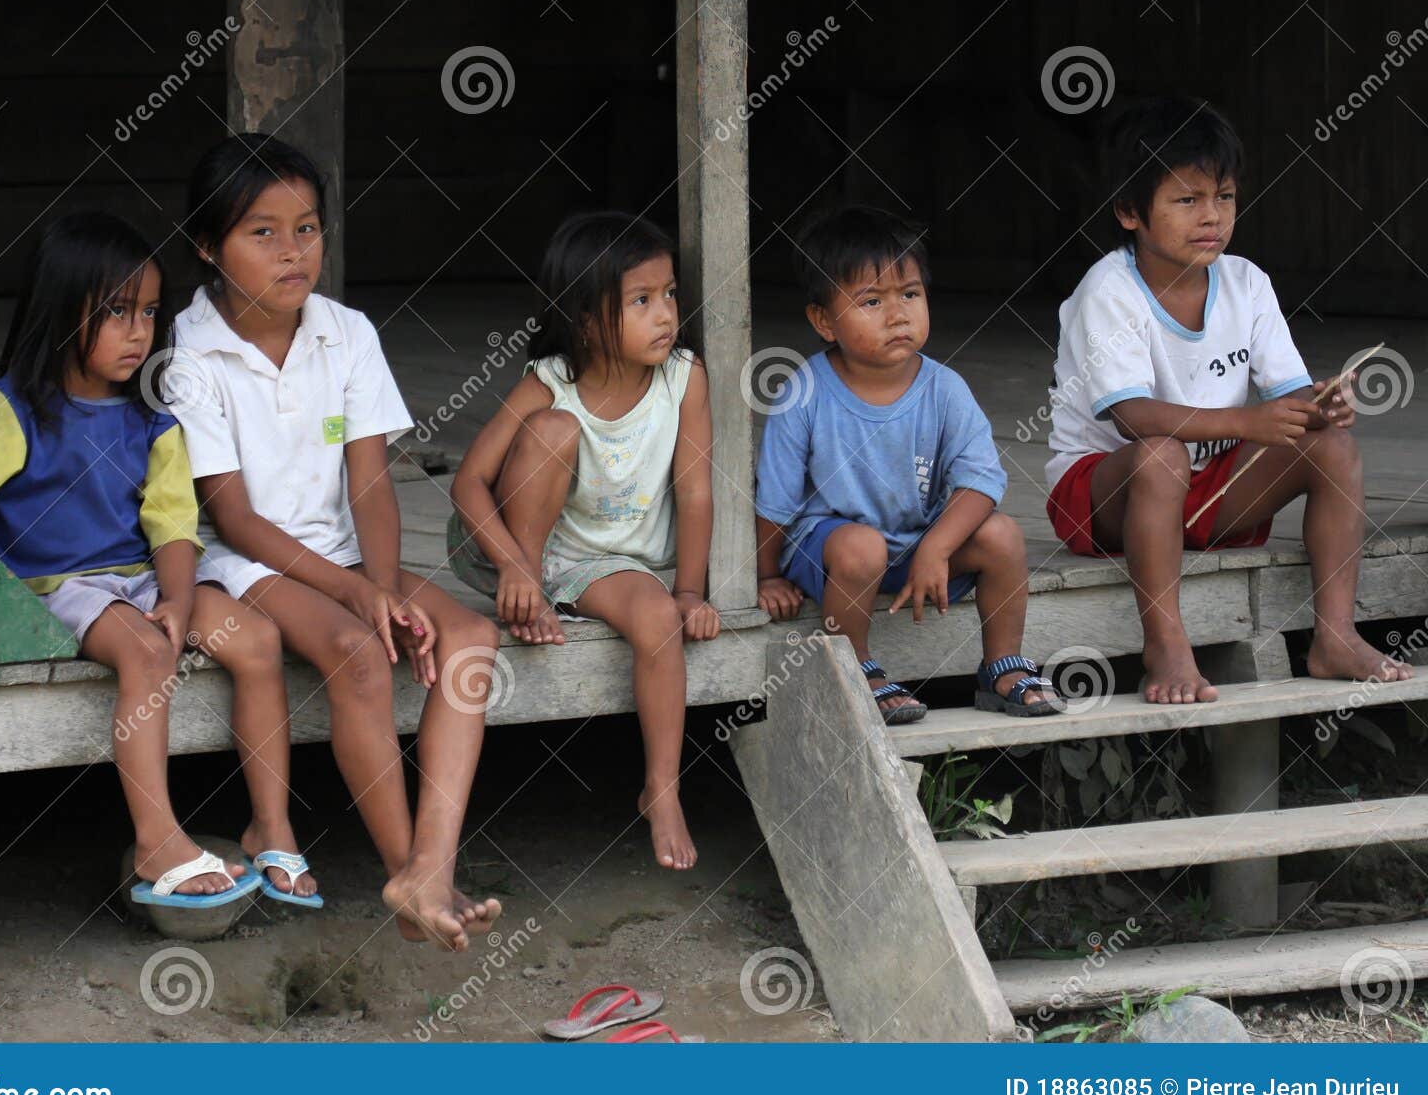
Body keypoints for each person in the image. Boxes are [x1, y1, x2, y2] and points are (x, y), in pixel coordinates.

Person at [165, 134, 501, 950]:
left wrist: (380, 585)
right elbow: (235, 517)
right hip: (246, 561)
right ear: (208, 247)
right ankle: (405, 866)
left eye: (308, 228)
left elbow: (373, 482)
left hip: (350, 554)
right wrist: (361, 601)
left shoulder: (345, 331)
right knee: (356, 650)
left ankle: (429, 864)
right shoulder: (189, 356)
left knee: (472, 636)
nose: (293, 251)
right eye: (263, 232)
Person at [0, 211, 295, 909]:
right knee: (149, 653)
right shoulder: (15, 411)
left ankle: (272, 822)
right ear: (62, 311)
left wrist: (178, 599)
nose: (139, 330)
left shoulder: (151, 420)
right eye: (117, 312)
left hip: (143, 574)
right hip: (59, 583)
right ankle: (156, 836)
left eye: (149, 311)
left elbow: (174, 525)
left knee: (258, 639)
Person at [1044, 98, 1411, 703]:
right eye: (1187, 201)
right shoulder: (1108, 291)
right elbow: (1133, 417)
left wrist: (1321, 407)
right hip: (1100, 494)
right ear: (1130, 212)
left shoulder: (1246, 283)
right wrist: (1247, 419)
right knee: (1160, 455)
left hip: (1204, 489)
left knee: (1334, 448)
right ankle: (1165, 645)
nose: (1211, 216)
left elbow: (1288, 394)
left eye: (1225, 197)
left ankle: (1335, 637)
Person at [447, 211, 719, 870]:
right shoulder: (553, 379)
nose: (665, 315)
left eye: (670, 296)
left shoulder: (684, 377)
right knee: (553, 431)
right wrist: (515, 564)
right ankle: (531, 591)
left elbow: (697, 491)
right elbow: (470, 483)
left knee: (657, 617)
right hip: (532, 546)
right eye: (642, 301)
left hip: (624, 562)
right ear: (589, 320)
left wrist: (688, 589)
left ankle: (662, 786)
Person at [754, 204, 1062, 724]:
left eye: (910, 294)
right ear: (823, 321)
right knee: (860, 546)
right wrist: (765, 578)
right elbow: (775, 502)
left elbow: (981, 480)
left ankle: (1002, 665)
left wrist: (937, 548)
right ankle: (854, 666)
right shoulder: (803, 392)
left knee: (1004, 535)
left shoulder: (944, 388)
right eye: (871, 300)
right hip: (832, 551)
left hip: (917, 542)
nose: (898, 314)